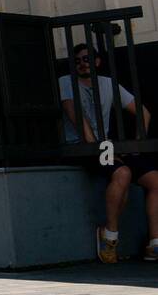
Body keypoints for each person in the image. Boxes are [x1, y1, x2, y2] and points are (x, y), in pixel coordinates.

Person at [60, 43, 158, 262]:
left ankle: (154, 244)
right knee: (122, 172)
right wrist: (99, 149)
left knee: (155, 181)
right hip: (82, 146)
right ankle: (109, 237)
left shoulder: (107, 84)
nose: (82, 64)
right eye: (77, 61)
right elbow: (78, 120)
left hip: (107, 146)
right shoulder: (66, 82)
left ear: (97, 62)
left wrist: (136, 144)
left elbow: (143, 112)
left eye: (86, 59)